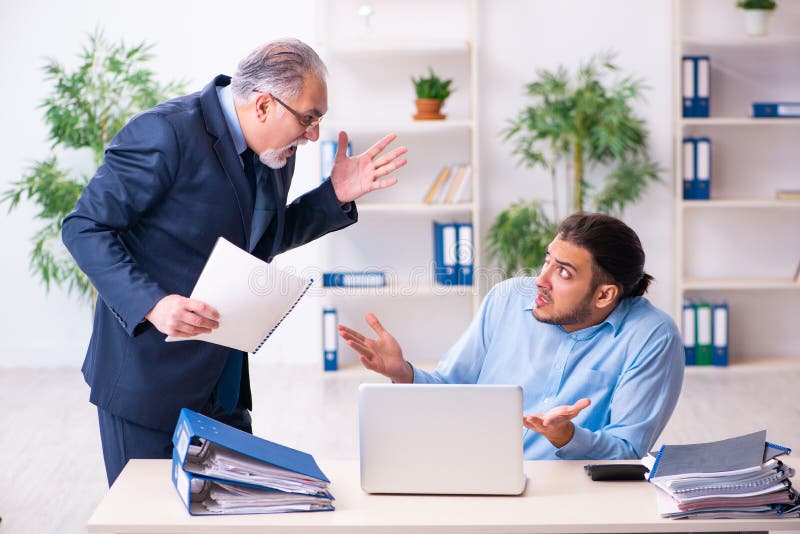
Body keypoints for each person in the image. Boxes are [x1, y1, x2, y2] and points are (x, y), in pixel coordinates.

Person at [62, 38, 407, 485]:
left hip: (222, 382)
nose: (313, 134)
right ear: (264, 105)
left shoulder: (277, 152)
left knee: (230, 511)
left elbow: (261, 239)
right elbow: (84, 227)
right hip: (147, 382)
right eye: (308, 118)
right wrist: (153, 303)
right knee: (148, 518)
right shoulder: (165, 133)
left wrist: (333, 196)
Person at [339, 212, 684, 460]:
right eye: (547, 260)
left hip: (571, 495)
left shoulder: (652, 337)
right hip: (472, 467)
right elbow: (451, 384)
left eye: (563, 272)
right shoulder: (507, 299)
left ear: (605, 295)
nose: (541, 280)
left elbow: (628, 450)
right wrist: (404, 374)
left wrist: (567, 436)